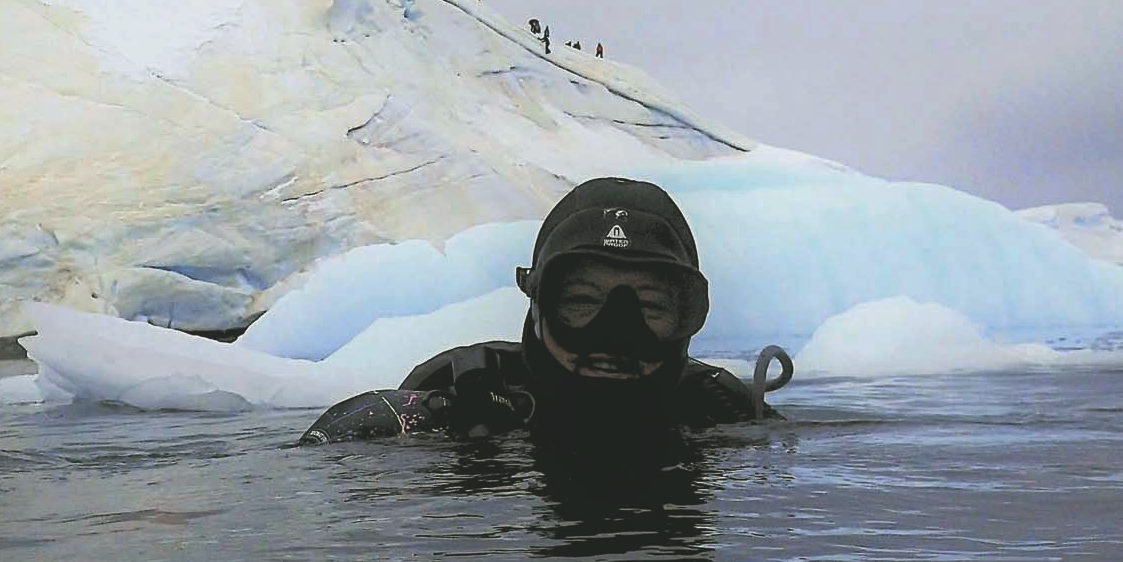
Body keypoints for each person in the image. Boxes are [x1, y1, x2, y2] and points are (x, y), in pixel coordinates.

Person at [299, 177, 787, 444]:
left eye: (650, 307)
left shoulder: (721, 410)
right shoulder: (462, 397)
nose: (615, 335)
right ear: (536, 301)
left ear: (686, 319)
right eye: (582, 303)